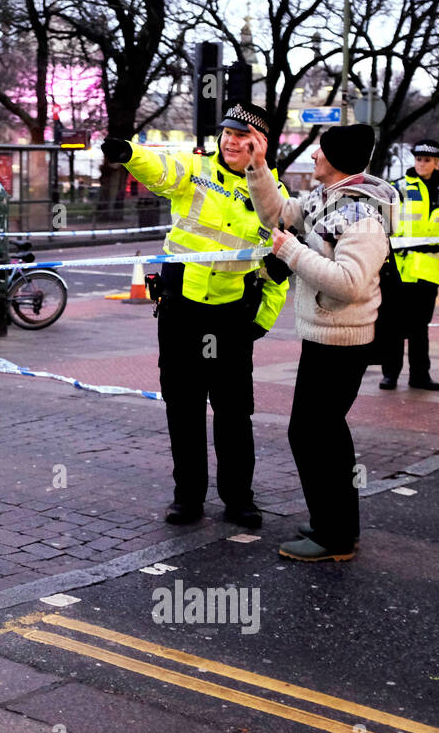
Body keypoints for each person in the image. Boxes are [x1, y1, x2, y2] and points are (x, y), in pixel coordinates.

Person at [102, 103, 290, 530]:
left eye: (243, 137)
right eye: (227, 133)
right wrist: (129, 152)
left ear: (261, 145)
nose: (231, 141)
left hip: (231, 317)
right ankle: (187, 497)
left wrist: (262, 321)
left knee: (234, 413)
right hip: (182, 312)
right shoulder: (197, 169)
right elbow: (160, 169)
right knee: (183, 409)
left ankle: (239, 499)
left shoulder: (272, 196)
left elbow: (277, 272)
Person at [245, 123, 398, 562]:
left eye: (320, 150)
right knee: (322, 434)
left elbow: (349, 283)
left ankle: (335, 535)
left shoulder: (362, 218)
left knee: (314, 434)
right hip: (323, 336)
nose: (313, 156)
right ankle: (334, 524)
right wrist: (258, 168)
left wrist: (290, 252)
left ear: (336, 159)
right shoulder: (325, 200)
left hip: (343, 341)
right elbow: (276, 214)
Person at [377, 140, 439, 391]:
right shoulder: (399, 186)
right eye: (418, 159)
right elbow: (384, 223)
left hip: (429, 266)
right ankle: (390, 374)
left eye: (427, 160)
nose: (421, 164)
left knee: (420, 327)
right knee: (393, 325)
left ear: (437, 162)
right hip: (399, 266)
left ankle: (419, 376)